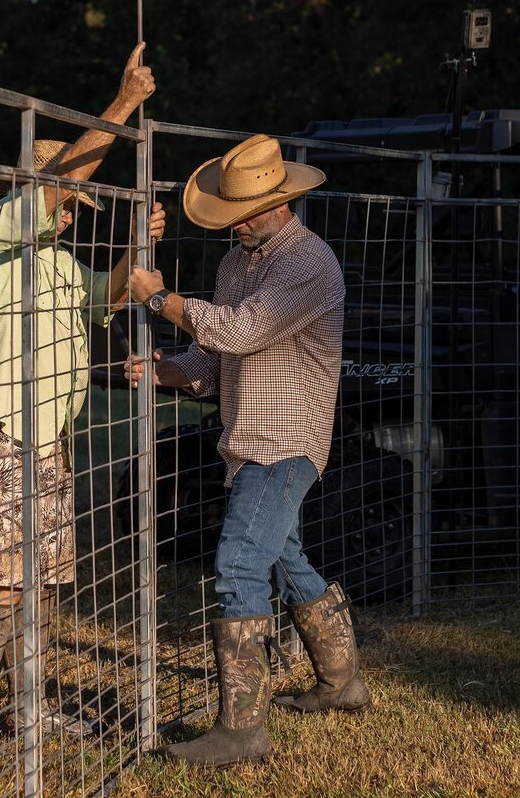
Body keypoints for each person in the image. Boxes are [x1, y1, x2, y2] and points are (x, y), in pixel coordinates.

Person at [127, 132, 369, 767]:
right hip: (248, 439)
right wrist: (164, 369)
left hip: (286, 442)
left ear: (277, 202)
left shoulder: (307, 264)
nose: (235, 224)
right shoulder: (237, 263)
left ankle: (241, 731)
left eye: (243, 213)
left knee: (238, 564)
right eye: (229, 214)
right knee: (286, 562)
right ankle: (342, 682)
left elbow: (241, 330)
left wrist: (159, 298)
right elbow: (216, 357)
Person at [0, 44, 165, 758]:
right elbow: (54, 188)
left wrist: (140, 240)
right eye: (71, 200)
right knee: (1, 581)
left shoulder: (61, 260)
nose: (74, 213)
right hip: (4, 428)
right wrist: (123, 104)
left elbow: (105, 297)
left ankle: (29, 708)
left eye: (79, 207)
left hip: (49, 437)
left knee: (41, 582)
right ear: (43, 191)